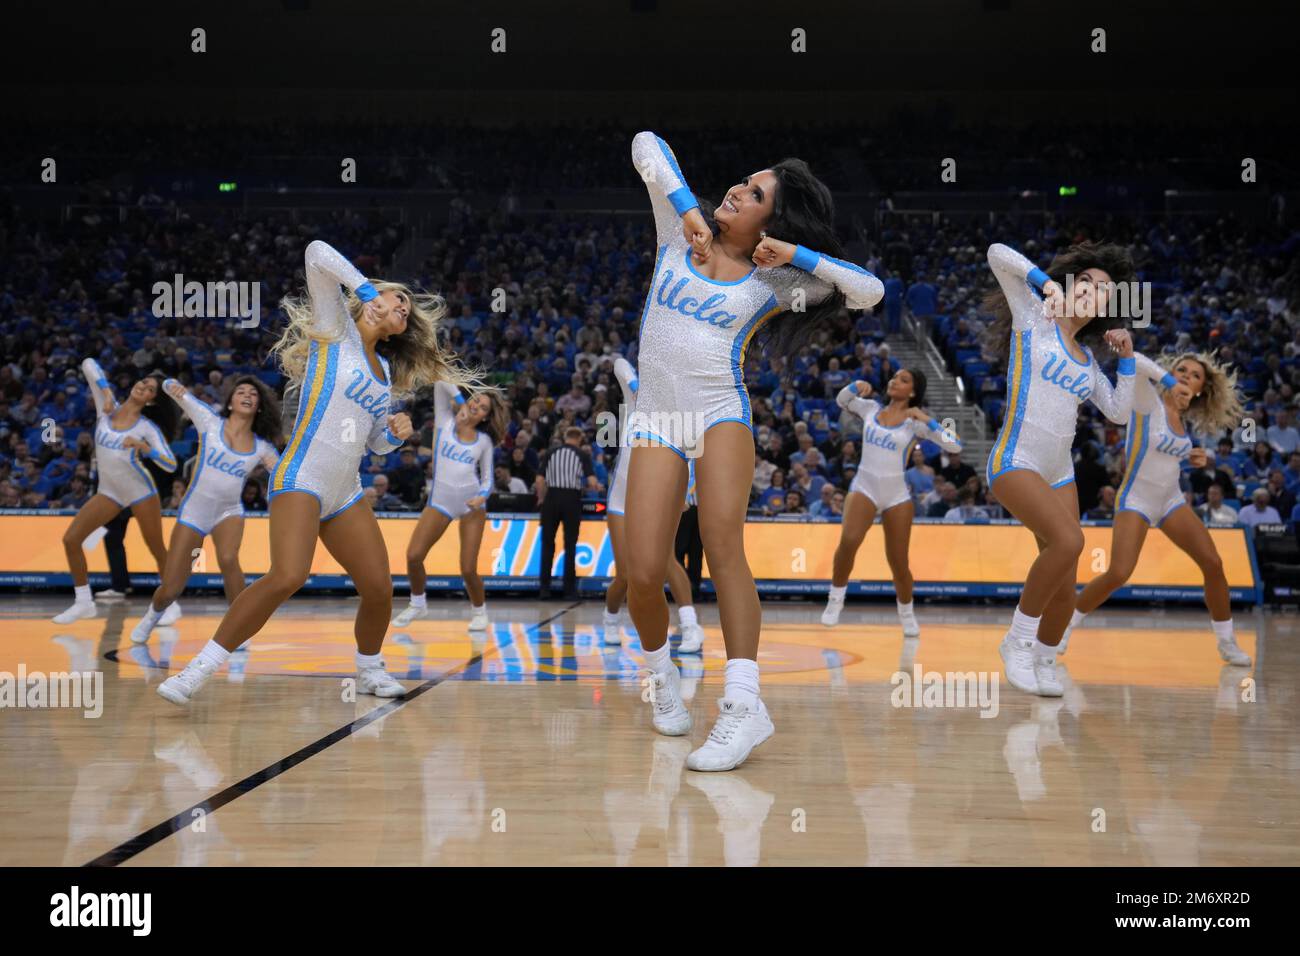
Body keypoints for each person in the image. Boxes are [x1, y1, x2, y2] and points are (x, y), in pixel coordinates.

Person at [623, 130, 882, 771]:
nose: (738, 188)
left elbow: (867, 291)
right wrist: (685, 206)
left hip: (720, 412)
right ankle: (661, 684)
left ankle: (743, 706)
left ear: (773, 219)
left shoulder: (776, 282)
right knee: (642, 573)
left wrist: (794, 252)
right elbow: (646, 143)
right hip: (658, 416)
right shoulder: (676, 232)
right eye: (744, 180)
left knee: (722, 541)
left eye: (756, 191)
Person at [157, 239, 478, 705]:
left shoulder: (384, 373)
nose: (402, 308)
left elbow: (374, 446)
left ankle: (369, 669)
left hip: (345, 490)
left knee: (379, 588)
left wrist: (396, 433)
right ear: (375, 299)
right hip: (300, 477)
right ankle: (197, 670)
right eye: (398, 299)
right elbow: (315, 252)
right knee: (288, 575)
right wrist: (365, 288)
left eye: (407, 310)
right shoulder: (335, 329)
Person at [981, 241, 1188, 697]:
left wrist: (1129, 359)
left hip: (1059, 472)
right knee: (1071, 539)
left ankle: (1044, 656)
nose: (1091, 292)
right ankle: (1016, 641)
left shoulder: (1090, 362)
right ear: (1072, 286)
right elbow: (997, 253)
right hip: (1015, 460)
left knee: (1067, 580)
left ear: (1104, 309)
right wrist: (1044, 283)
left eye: (1103, 292)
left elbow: (1117, 411)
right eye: (1086, 283)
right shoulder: (1033, 317)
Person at [1066, 352, 1252, 665]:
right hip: (1135, 499)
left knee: (1213, 563)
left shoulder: (1183, 420)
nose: (1185, 376)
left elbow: (1166, 458)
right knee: (1119, 573)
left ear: (1200, 390)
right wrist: (1166, 379)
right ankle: (1064, 626)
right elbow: (1134, 360)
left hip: (1171, 500)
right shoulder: (1146, 400)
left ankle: (1226, 642)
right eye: (1181, 369)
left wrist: (1193, 458)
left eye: (1194, 375)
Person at [129, 377, 281, 645]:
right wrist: (172, 386)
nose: (246, 395)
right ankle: (152, 616)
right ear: (231, 402)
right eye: (241, 391)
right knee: (171, 588)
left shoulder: (263, 448)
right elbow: (169, 387)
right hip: (193, 513)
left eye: (253, 394)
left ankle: (238, 628)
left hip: (229, 512)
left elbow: (283, 476)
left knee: (228, 558)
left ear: (258, 406)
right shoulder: (209, 422)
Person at [822, 369, 961, 637]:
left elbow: (955, 445)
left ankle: (906, 612)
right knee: (849, 541)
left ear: (912, 392)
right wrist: (855, 385)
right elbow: (841, 401)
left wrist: (926, 419)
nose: (894, 381)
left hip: (896, 495)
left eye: (903, 380)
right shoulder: (870, 408)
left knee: (898, 561)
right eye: (894, 377)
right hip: (864, 486)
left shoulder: (914, 424)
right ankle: (835, 600)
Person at [53, 359, 179, 624]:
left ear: (152, 401)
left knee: (156, 548)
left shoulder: (147, 427)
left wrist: (145, 448)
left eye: (149, 390)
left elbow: (170, 463)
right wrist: (107, 393)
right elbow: (88, 364)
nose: (142, 387)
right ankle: (84, 601)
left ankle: (171, 603)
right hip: (108, 492)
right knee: (71, 539)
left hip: (141, 491)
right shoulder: (106, 409)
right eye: (143, 382)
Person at [601, 357, 706, 651]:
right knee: (624, 576)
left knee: (667, 561)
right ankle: (610, 618)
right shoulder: (633, 399)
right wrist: (639, 388)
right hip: (620, 498)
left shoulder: (683, 412)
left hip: (654, 498)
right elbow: (619, 363)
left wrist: (685, 492)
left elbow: (693, 458)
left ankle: (690, 627)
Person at [394, 381, 506, 631]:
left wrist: (482, 497)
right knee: (413, 556)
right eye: (475, 400)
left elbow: (487, 478)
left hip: (471, 507)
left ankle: (479, 612)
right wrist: (459, 400)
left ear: (485, 417)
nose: (475, 406)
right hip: (440, 502)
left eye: (482, 407)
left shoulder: (483, 441)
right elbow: (441, 383)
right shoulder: (445, 421)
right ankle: (418, 602)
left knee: (467, 568)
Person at [535, 426, 598, 600]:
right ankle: (569, 591)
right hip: (571, 500)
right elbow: (592, 481)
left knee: (547, 545)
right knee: (570, 545)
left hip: (551, 498)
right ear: (579, 439)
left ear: (565, 436)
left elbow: (539, 480)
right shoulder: (582, 455)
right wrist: (593, 486)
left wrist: (541, 498)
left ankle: (544, 590)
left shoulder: (550, 452)